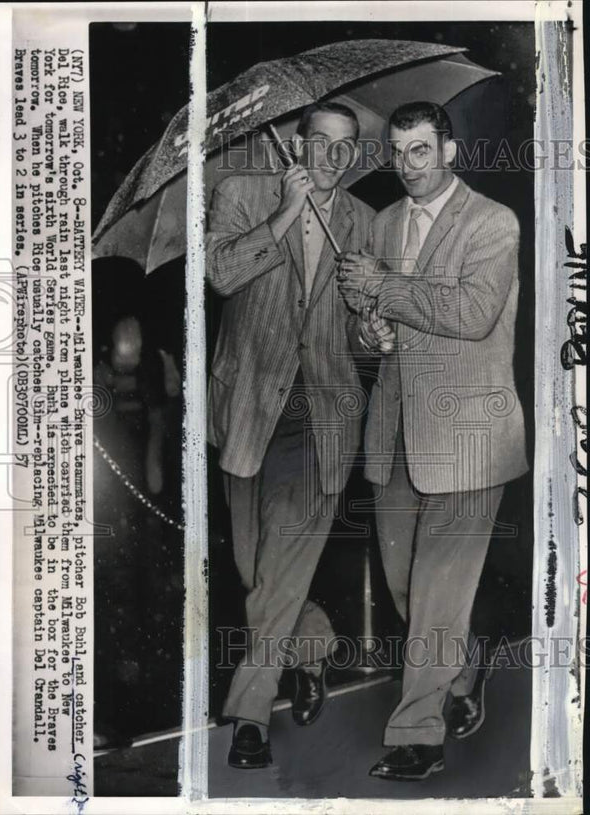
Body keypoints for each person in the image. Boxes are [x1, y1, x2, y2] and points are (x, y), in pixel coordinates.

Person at [338, 101, 529, 781]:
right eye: (396, 152)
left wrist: (385, 289)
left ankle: (417, 733)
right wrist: (372, 335)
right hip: (395, 435)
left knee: (438, 591)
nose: (406, 165)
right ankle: (468, 664)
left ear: (449, 151)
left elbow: (474, 314)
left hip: (470, 436)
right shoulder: (385, 223)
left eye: (420, 150)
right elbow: (370, 330)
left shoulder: (492, 222)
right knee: (409, 592)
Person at [206, 101, 377, 768]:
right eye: (321, 143)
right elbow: (220, 275)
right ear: (298, 142)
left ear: (355, 155)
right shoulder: (241, 192)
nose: (331, 159)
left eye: (345, 148)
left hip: (321, 411)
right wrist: (282, 213)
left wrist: (375, 327)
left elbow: (362, 333)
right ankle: (314, 644)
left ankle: (249, 714)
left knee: (277, 572)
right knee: (259, 566)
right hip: (249, 404)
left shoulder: (363, 221)